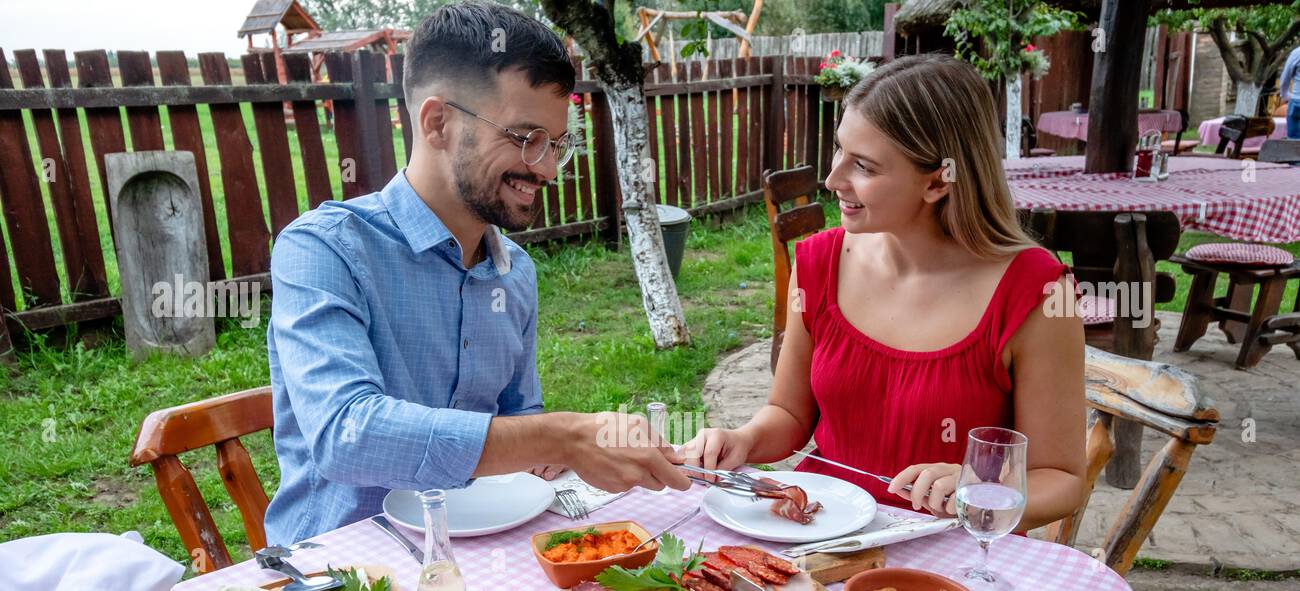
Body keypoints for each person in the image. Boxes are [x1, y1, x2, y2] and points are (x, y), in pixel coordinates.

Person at [264, 1, 688, 544]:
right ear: (438, 123)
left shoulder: (516, 273)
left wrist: (563, 451)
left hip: (478, 558)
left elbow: (521, 427)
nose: (546, 169)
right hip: (339, 578)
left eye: (556, 144)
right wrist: (561, 436)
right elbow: (347, 435)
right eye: (525, 137)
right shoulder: (324, 249)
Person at [682, 54, 1086, 530]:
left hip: (947, 559)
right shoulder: (817, 264)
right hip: (818, 534)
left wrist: (976, 489)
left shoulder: (1036, 294)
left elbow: (1060, 478)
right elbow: (788, 413)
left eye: (865, 167)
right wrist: (744, 440)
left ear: (938, 180)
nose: (833, 180)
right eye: (839, 151)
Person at [1279, 44, 1300, 139]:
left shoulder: (1297, 53)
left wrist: (1285, 96)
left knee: (1293, 144)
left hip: (1298, 102)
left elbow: (1284, 79)